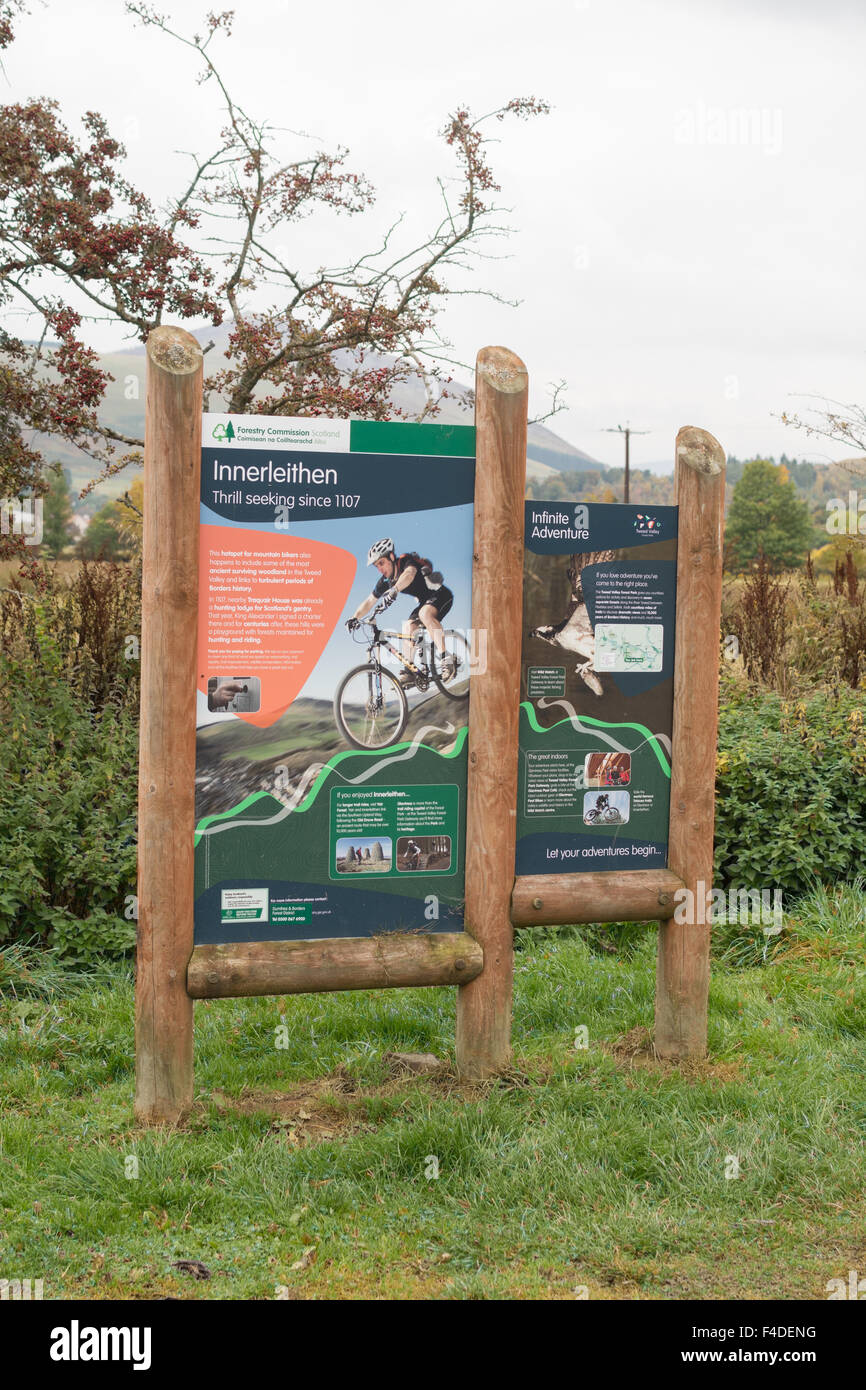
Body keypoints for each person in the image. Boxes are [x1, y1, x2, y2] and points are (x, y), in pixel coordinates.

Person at [345, 537, 456, 688]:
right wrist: (354, 617)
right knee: (408, 627)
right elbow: (370, 601)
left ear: (391, 557)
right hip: (425, 602)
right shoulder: (385, 581)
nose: (380, 569)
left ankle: (446, 660)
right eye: (377, 566)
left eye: (381, 563)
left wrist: (395, 590)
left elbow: (409, 574)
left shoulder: (405, 561)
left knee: (424, 614)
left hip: (440, 595)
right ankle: (410, 671)